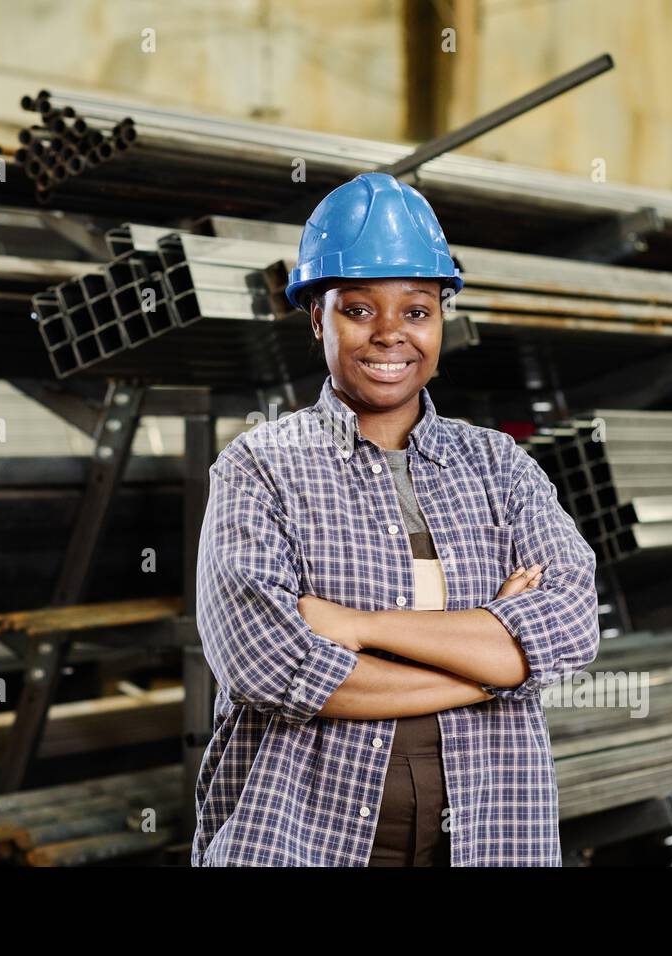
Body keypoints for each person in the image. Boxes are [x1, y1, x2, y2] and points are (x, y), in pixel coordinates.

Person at [191, 172, 600, 866]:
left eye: (416, 311)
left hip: (487, 830)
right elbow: (269, 664)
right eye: (358, 309)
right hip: (304, 838)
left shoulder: (499, 466)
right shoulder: (260, 467)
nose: (389, 335)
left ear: (441, 321)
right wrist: (490, 667)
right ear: (318, 318)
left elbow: (568, 629)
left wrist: (359, 627)